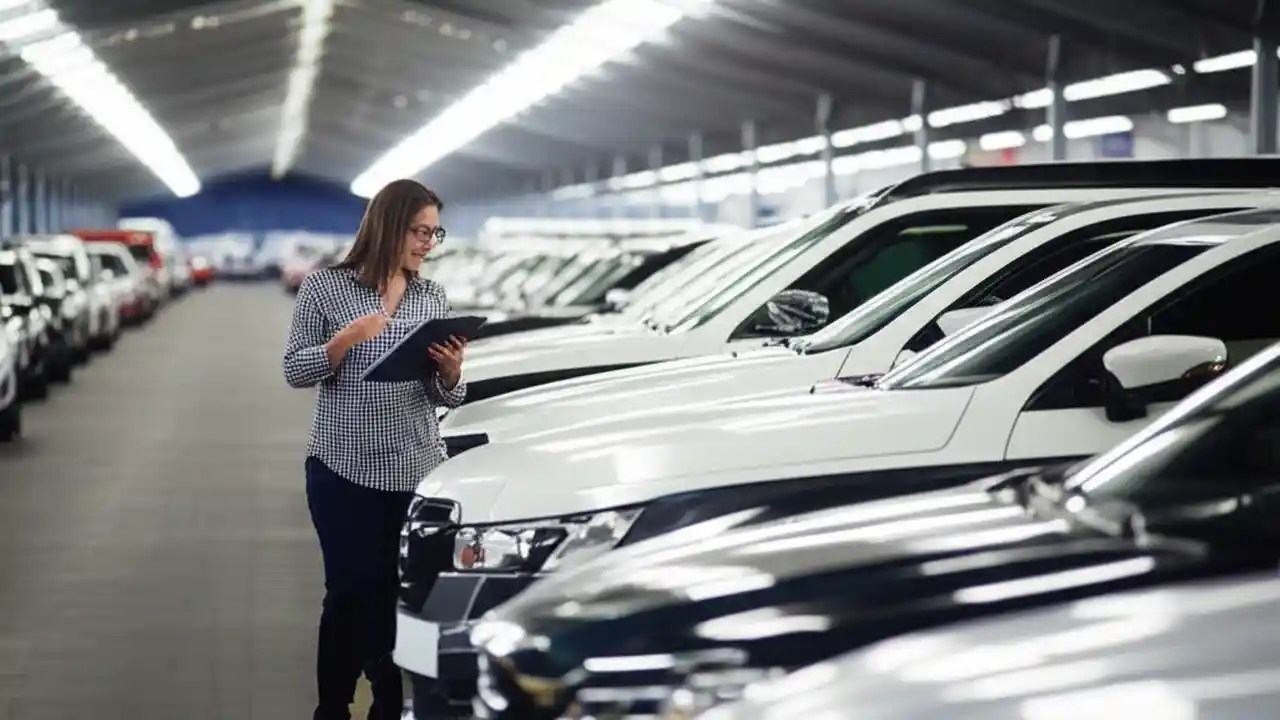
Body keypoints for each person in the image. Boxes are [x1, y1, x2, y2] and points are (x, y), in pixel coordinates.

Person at [283, 179, 467, 720]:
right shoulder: (325, 289)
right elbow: (295, 369)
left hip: (415, 469)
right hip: (343, 472)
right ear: (389, 226)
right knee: (349, 591)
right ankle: (333, 705)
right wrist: (345, 340)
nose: (428, 243)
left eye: (435, 232)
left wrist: (452, 374)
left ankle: (387, 701)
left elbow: (443, 394)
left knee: (395, 593)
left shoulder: (432, 297)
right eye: (420, 231)